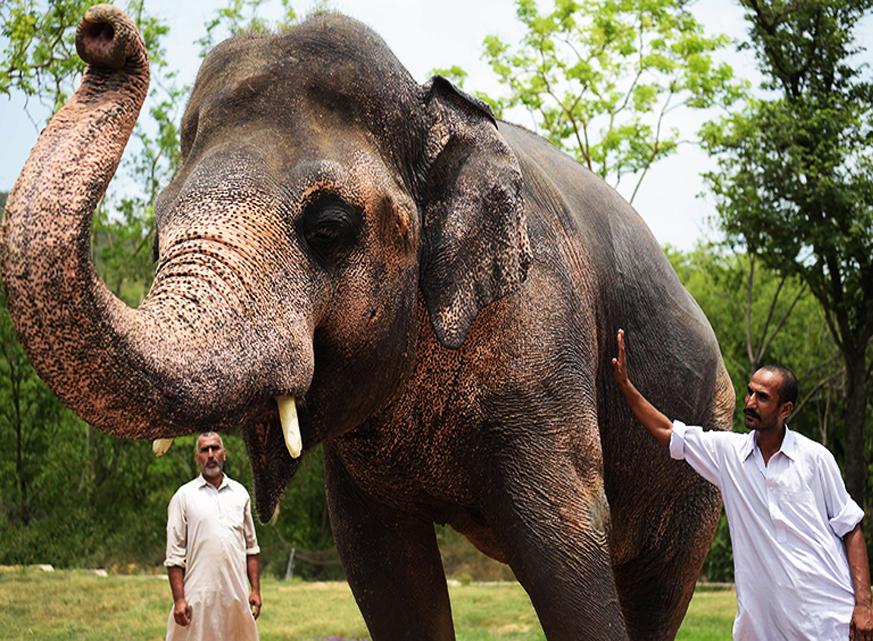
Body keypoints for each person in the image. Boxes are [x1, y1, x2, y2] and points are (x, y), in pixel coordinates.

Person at [612, 328, 873, 640]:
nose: (750, 402)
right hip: (762, 629)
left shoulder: (816, 459)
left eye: (762, 398)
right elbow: (668, 431)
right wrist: (626, 386)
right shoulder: (728, 454)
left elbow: (851, 528)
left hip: (828, 621)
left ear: (785, 410)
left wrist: (864, 605)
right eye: (750, 392)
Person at [164, 432, 262, 641]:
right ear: (197, 457)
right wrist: (179, 600)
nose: (211, 454)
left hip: (236, 596)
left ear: (224, 454)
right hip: (198, 599)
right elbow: (174, 555)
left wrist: (255, 590)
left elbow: (251, 549)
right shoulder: (184, 496)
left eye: (215, 448)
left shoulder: (240, 494)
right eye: (204, 450)